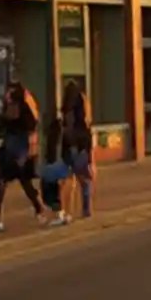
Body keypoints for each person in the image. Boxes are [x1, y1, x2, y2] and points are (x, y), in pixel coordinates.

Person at [0, 82, 45, 232]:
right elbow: (1, 127)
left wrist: (27, 152)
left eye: (11, 93)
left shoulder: (24, 111)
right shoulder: (7, 109)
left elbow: (31, 128)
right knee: (1, 183)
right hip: (8, 147)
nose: (8, 95)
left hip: (20, 148)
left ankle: (38, 208)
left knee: (25, 183)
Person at [60, 81, 95, 220]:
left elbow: (65, 128)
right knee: (84, 180)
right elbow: (87, 126)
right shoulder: (82, 106)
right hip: (81, 144)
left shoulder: (67, 109)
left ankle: (66, 210)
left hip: (69, 145)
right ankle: (86, 209)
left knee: (68, 179)